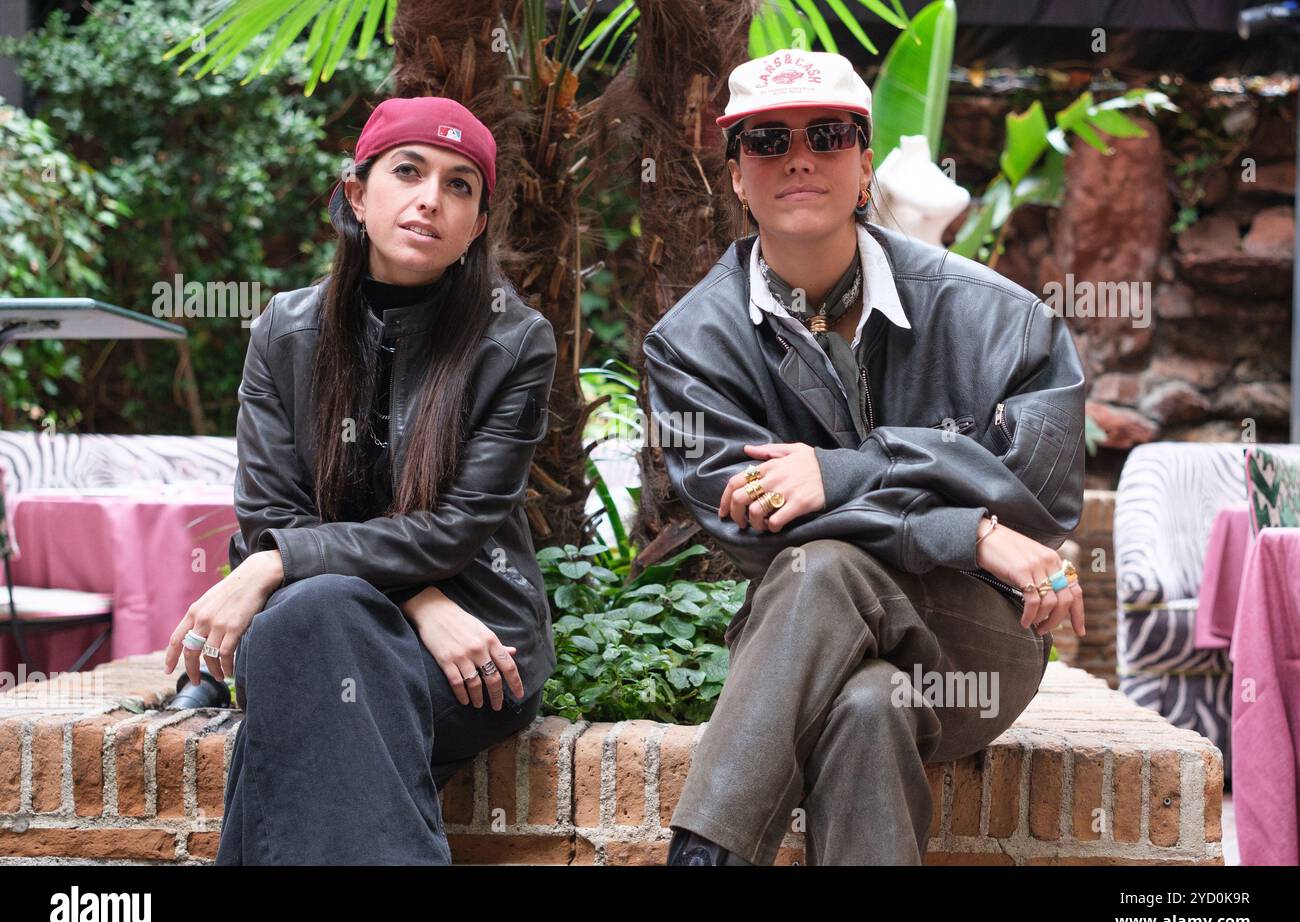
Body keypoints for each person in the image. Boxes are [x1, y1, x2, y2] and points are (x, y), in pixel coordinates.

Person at [642, 49, 1087, 866]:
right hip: (816, 656)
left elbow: (1039, 504)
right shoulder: (692, 348)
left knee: (824, 567)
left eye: (828, 134)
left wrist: (843, 470)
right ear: (738, 176)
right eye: (767, 141)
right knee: (868, 701)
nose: (800, 155)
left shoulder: (1003, 320)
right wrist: (972, 529)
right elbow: (757, 528)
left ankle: (701, 855)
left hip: (978, 643)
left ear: (865, 163)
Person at [163, 96, 559, 865]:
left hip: (471, 653)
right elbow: (272, 508)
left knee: (306, 628)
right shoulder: (285, 331)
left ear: (477, 224)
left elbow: (454, 529)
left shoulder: (515, 342)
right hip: (348, 624)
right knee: (319, 616)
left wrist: (278, 561)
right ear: (357, 193)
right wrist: (415, 596)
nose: (429, 200)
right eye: (408, 172)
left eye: (459, 186)